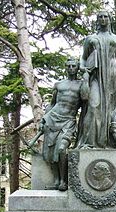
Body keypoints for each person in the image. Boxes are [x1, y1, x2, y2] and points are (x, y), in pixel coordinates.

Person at [77, 10, 116, 149]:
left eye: (106, 16)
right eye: (100, 17)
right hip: (95, 75)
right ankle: (89, 143)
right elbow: (83, 57)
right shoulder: (90, 38)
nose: (103, 19)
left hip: (113, 74)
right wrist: (82, 67)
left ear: (110, 19)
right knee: (94, 106)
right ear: (97, 20)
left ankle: (108, 142)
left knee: (110, 109)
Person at [37, 57, 88, 191]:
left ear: (77, 68)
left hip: (68, 121)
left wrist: (86, 76)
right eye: (69, 66)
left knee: (61, 149)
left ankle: (64, 180)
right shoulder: (59, 84)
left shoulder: (81, 84)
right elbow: (52, 104)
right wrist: (43, 119)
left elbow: (85, 100)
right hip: (52, 118)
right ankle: (57, 180)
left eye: (74, 66)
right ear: (66, 67)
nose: (71, 68)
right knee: (51, 151)